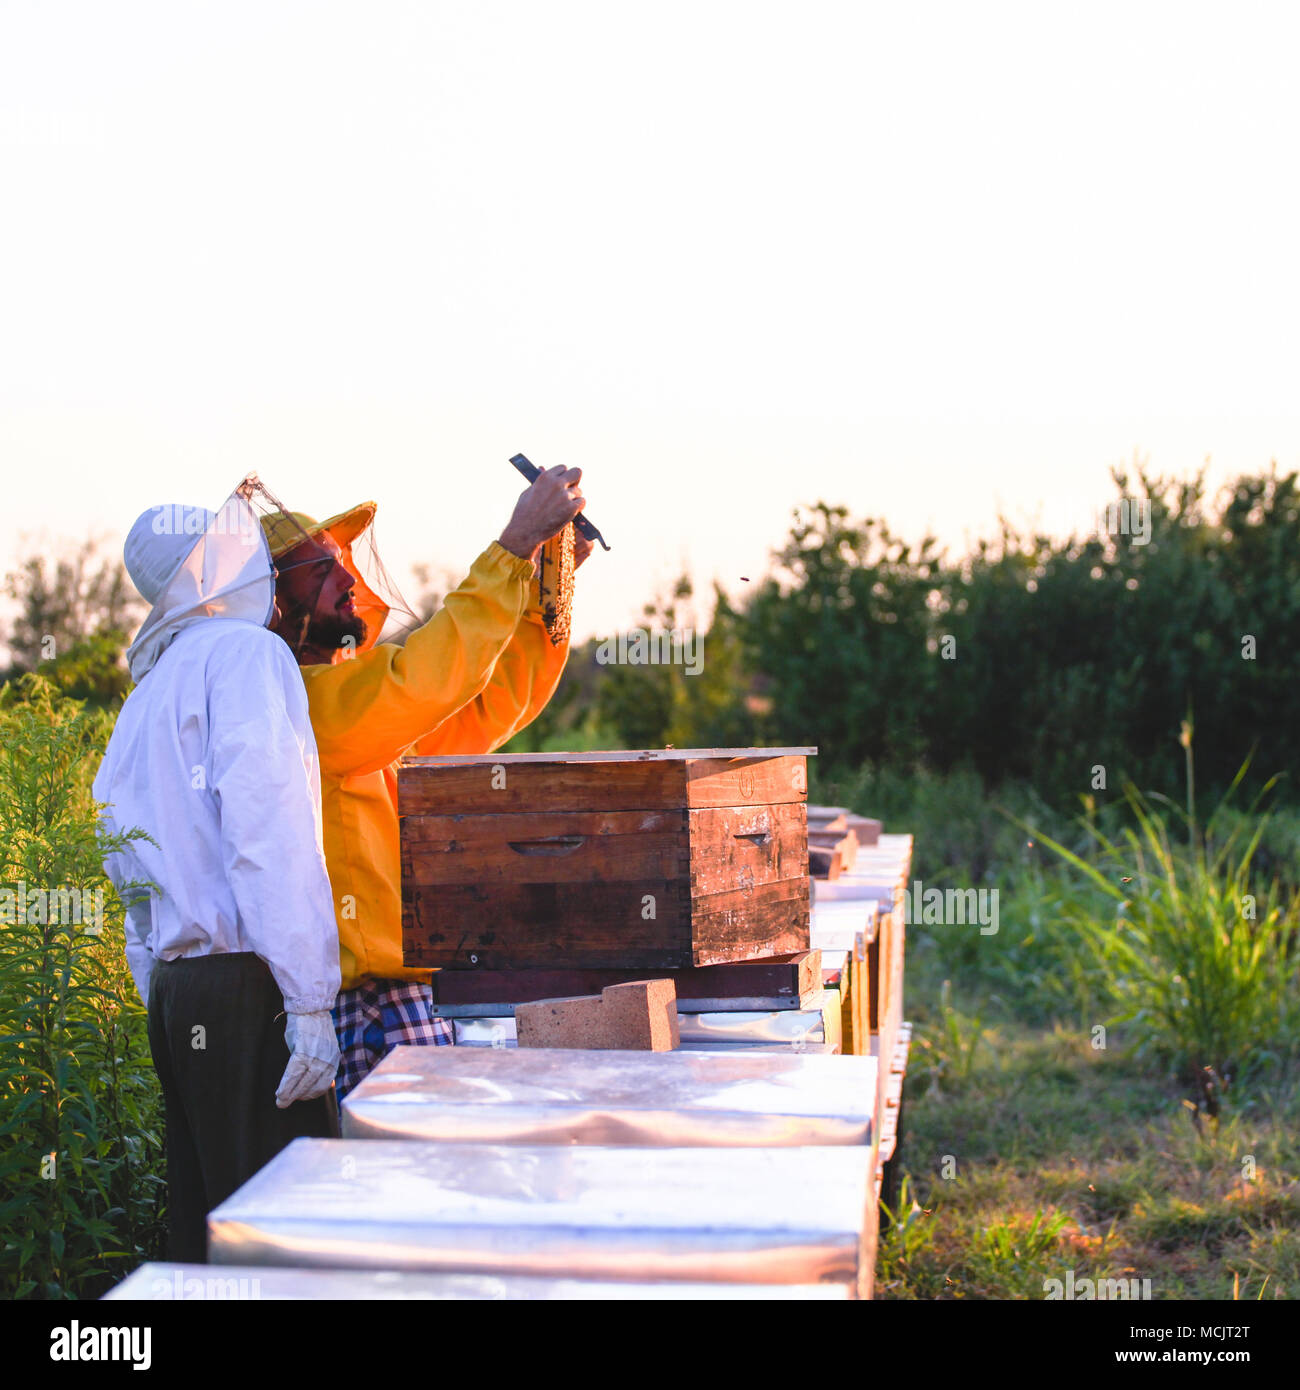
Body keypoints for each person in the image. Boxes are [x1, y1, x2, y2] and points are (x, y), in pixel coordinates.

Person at [262, 464, 588, 1098]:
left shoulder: (360, 699)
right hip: (357, 1004)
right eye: (320, 569)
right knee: (387, 1185)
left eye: (342, 563)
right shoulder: (302, 704)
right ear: (275, 598)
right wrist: (514, 547)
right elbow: (428, 679)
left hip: (409, 991)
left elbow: (485, 705)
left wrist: (551, 581)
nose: (346, 578)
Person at [93, 479, 342, 1263]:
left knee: (208, 1238)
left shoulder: (146, 694)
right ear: (207, 569)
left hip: (182, 991)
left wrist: (165, 979)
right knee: (281, 1242)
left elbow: (120, 851)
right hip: (248, 990)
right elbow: (269, 830)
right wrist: (307, 999)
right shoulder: (247, 655)